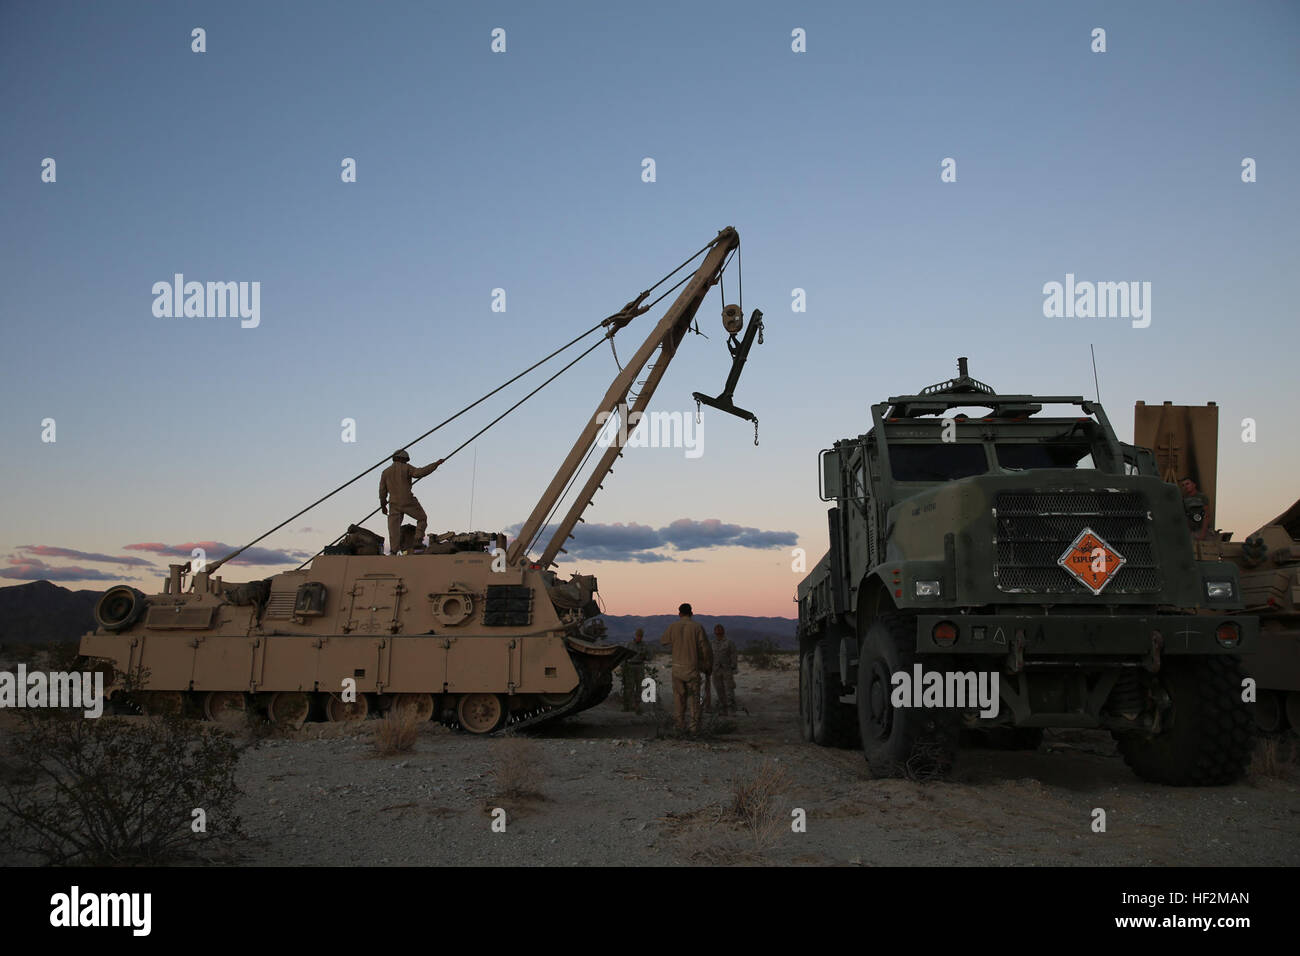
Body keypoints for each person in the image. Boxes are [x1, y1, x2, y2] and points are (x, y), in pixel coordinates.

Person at [660, 603, 712, 734]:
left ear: (679, 613)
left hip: (677, 668)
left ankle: (679, 725)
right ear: (691, 613)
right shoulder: (697, 627)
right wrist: (707, 664)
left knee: (679, 699)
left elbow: (663, 641)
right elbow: (705, 648)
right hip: (692, 668)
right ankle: (694, 727)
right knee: (694, 699)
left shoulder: (673, 626)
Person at [379, 449, 444, 554]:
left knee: (394, 530)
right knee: (422, 518)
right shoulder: (406, 468)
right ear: (403, 459)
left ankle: (393, 551)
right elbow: (420, 472)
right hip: (408, 500)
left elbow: (382, 491)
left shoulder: (386, 472)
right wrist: (435, 464)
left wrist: (383, 505)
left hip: (393, 503)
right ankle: (418, 540)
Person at [620, 628, 652, 714]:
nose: (639, 638)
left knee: (639, 687)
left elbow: (650, 657)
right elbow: (623, 657)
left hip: (639, 666)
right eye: (638, 636)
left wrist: (645, 656)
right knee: (628, 687)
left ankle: (637, 706)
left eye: (641, 636)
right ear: (635, 635)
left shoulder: (644, 645)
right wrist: (623, 668)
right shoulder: (629, 645)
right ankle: (626, 706)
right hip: (630, 666)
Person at [711, 624, 738, 715]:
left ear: (723, 631)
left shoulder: (729, 642)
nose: (718, 631)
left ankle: (732, 710)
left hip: (727, 669)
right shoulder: (712, 643)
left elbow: (733, 654)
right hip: (715, 670)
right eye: (716, 629)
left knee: (729, 690)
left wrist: (733, 666)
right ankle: (723, 709)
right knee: (719, 690)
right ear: (714, 632)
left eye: (720, 629)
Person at [1179, 476, 1210, 541]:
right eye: (1183, 485)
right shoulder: (1184, 499)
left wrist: (1203, 533)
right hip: (1190, 532)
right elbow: (1185, 516)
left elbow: (1206, 516)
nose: (1185, 486)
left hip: (1201, 531)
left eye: (1187, 484)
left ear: (1194, 485)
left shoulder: (1202, 497)